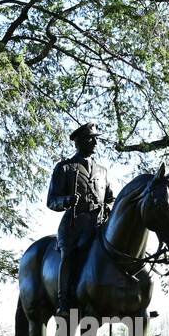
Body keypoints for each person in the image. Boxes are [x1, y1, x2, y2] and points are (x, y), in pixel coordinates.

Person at [46, 123, 115, 318]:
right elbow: (52, 201)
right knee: (68, 255)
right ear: (78, 142)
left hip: (98, 225)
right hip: (74, 225)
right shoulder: (65, 168)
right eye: (90, 138)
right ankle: (63, 303)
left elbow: (111, 198)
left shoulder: (102, 171)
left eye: (96, 139)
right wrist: (67, 200)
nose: (95, 142)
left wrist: (108, 206)